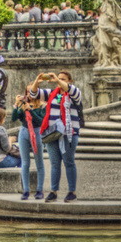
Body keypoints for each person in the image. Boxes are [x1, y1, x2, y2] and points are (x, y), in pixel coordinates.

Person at [40, 73, 81, 201]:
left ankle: (72, 191)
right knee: (54, 163)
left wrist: (57, 79)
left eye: (63, 79)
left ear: (70, 80)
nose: (59, 81)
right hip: (52, 133)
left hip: (69, 133)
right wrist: (37, 80)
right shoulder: (53, 93)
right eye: (59, 78)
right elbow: (34, 94)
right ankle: (53, 191)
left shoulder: (75, 93)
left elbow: (70, 89)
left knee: (69, 162)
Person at [13, 78, 48, 200]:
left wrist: (30, 110)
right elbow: (14, 118)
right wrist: (16, 105)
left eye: (31, 91)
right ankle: (26, 190)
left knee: (39, 162)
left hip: (37, 132)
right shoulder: (23, 105)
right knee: (25, 163)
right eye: (27, 92)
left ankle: (39, 190)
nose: (29, 94)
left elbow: (40, 121)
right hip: (24, 132)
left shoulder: (42, 106)